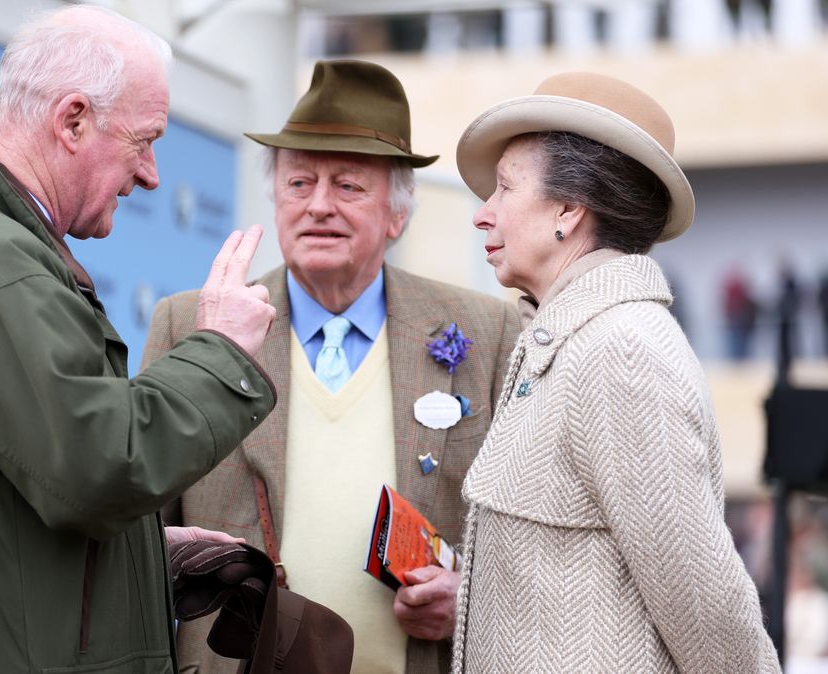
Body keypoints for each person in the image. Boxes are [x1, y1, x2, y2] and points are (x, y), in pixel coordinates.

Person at [0, 6, 278, 673]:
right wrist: (221, 350)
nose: (152, 174)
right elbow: (98, 469)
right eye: (145, 140)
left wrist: (142, 555)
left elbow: (22, 495)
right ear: (73, 120)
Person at [142, 59, 519, 674]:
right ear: (276, 198)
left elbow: (521, 537)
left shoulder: (486, 331)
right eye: (299, 183)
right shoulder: (192, 325)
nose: (319, 206)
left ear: (397, 214)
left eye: (348, 186)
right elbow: (139, 537)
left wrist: (470, 598)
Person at [450, 72, 780, 672]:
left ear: (569, 209)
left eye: (505, 188)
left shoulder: (619, 351)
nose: (483, 214)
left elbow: (710, 614)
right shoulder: (568, 338)